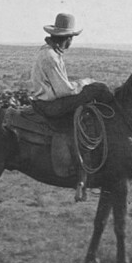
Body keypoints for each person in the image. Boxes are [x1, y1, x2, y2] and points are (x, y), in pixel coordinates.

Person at [29, 13, 113, 201]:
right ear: (67, 39)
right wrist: (85, 83)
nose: (71, 43)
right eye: (71, 39)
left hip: (47, 101)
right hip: (51, 104)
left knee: (93, 90)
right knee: (98, 88)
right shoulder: (50, 56)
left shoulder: (49, 52)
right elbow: (64, 90)